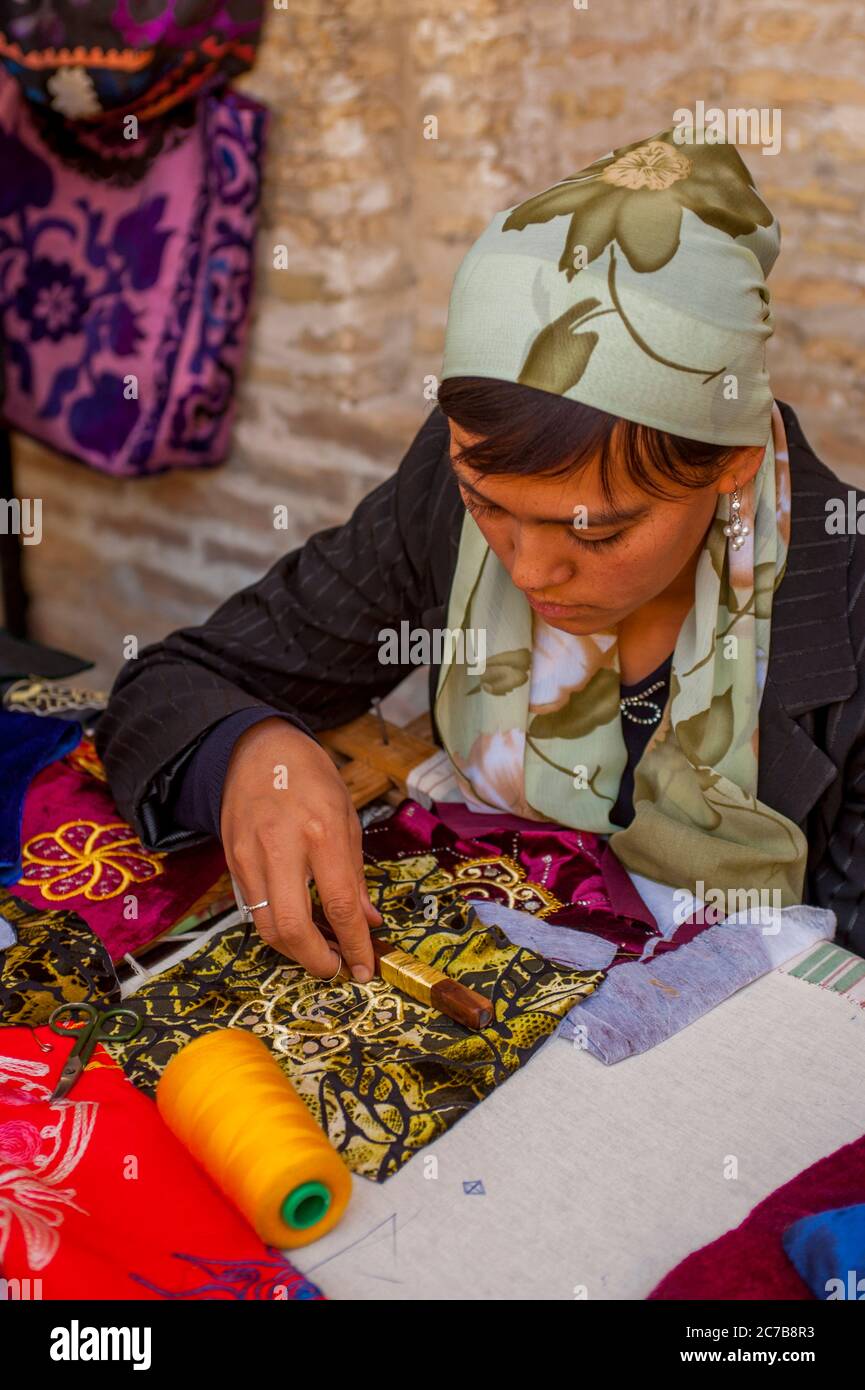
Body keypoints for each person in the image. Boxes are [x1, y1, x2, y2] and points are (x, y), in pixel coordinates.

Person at [97, 129, 865, 977]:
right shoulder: (445, 486)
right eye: (487, 504)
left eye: (594, 530)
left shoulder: (848, 617)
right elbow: (178, 681)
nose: (528, 570)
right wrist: (247, 754)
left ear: (732, 465)